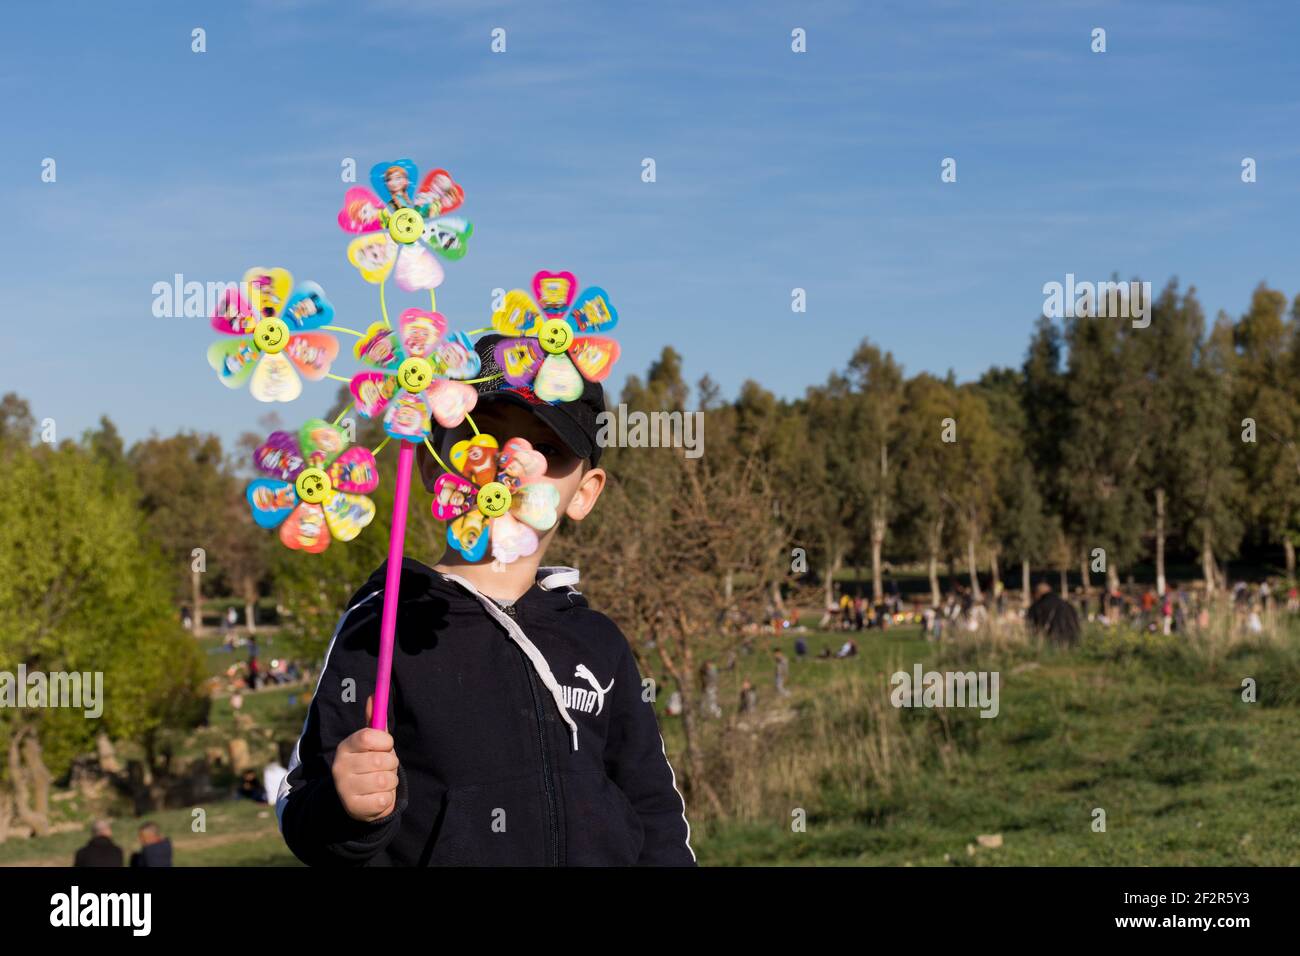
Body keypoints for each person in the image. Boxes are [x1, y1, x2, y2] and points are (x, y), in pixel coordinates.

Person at [279, 335, 694, 866]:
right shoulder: (384, 625)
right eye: (483, 437)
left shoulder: (596, 640)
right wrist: (346, 809)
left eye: (547, 450)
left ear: (585, 492)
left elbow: (652, 805)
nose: (513, 463)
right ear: (434, 467)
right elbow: (302, 804)